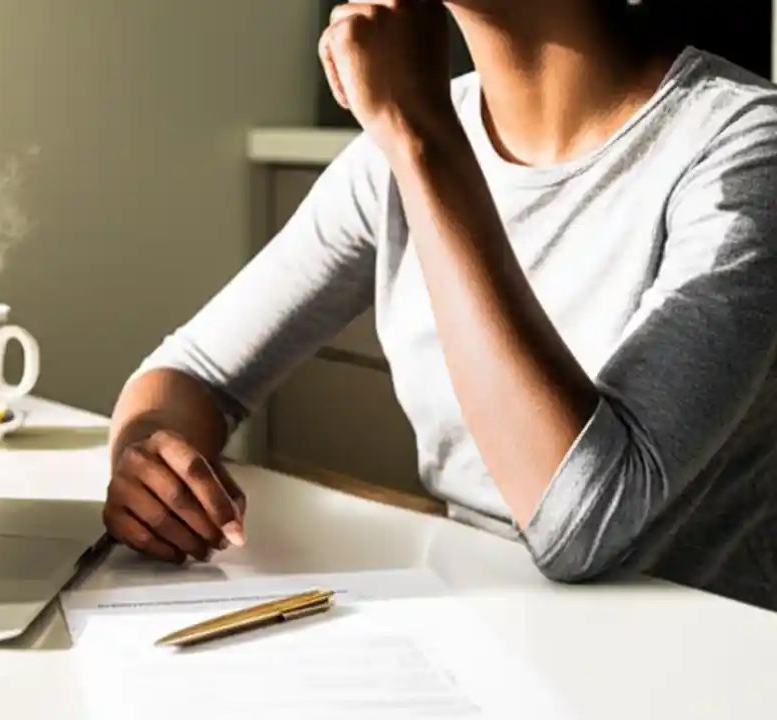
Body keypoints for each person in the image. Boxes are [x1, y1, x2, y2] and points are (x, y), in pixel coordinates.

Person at [104, 0, 777, 611]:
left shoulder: (744, 146)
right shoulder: (400, 143)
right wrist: (148, 462)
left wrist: (420, 138)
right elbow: (193, 372)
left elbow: (584, 526)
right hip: (485, 630)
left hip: (692, 659)